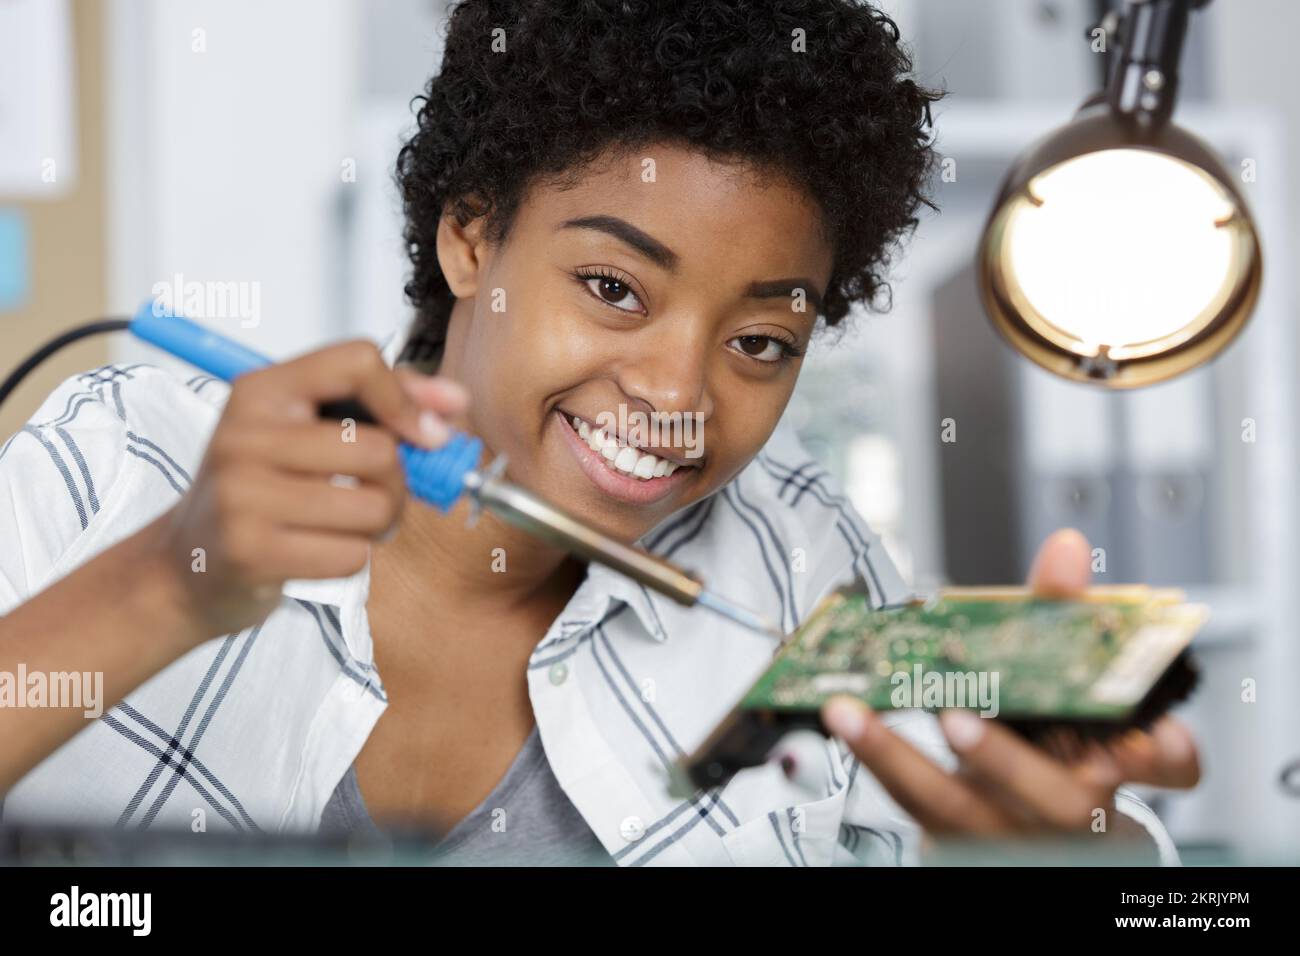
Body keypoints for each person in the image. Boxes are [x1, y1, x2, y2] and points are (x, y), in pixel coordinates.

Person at [0, 0, 1197, 865]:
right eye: (613, 288)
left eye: (760, 341)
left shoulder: (801, 568)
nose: (678, 391)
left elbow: (1104, 860)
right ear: (471, 235)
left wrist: (1070, 850)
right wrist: (165, 582)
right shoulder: (130, 456)